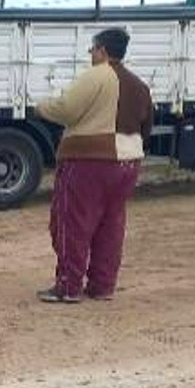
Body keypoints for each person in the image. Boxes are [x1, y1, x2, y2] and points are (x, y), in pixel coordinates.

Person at [35, 28, 154, 303]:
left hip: (89, 160)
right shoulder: (139, 85)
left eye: (92, 50)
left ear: (101, 50)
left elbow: (67, 108)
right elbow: (146, 126)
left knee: (73, 221)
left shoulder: (96, 76)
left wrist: (42, 107)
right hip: (129, 161)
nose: (90, 55)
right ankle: (102, 285)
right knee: (111, 224)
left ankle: (68, 285)